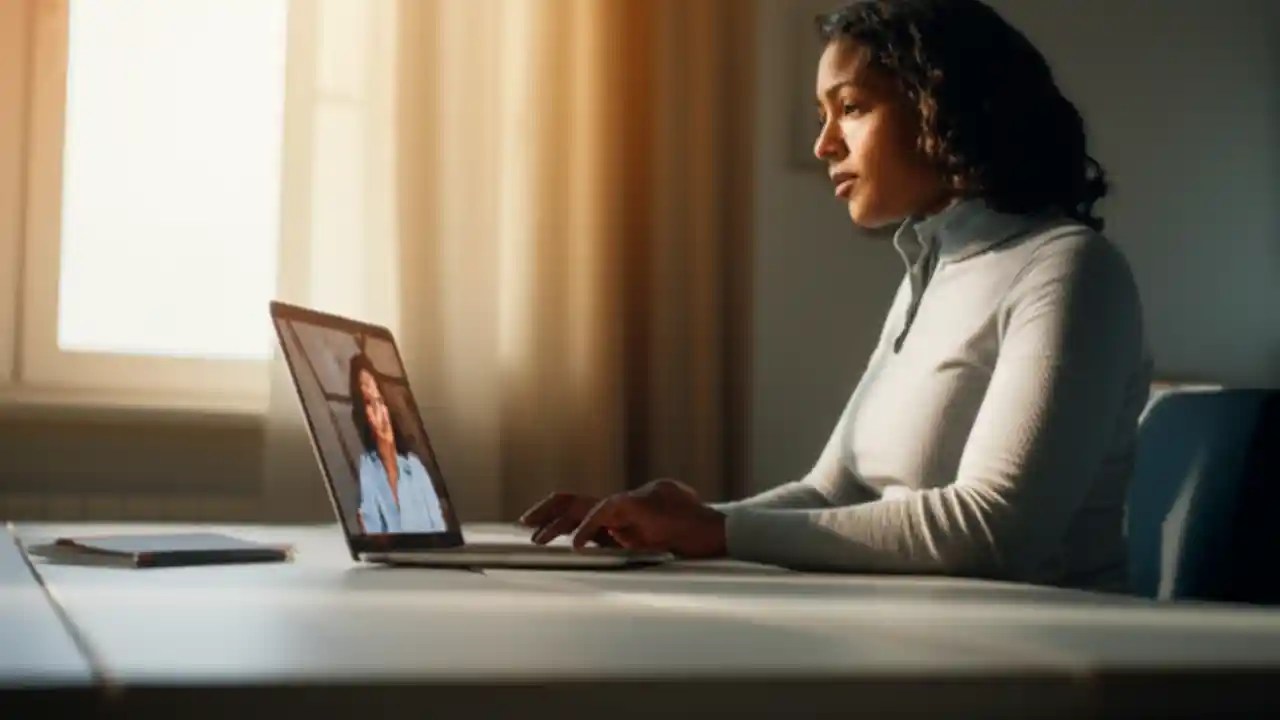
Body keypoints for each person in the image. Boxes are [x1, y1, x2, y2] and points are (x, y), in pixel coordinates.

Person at [520, 0, 1152, 592]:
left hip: (1044, 652)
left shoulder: (1068, 269)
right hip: (923, 634)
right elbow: (829, 494)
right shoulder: (929, 271)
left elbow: (995, 529)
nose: (824, 144)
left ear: (944, 105)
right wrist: (667, 524)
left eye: (850, 108)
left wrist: (713, 530)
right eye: (822, 116)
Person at [349, 353, 447, 533]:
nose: (379, 411)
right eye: (369, 403)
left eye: (380, 400)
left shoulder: (414, 467)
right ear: (363, 415)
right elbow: (374, 533)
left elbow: (440, 529)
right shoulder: (367, 469)